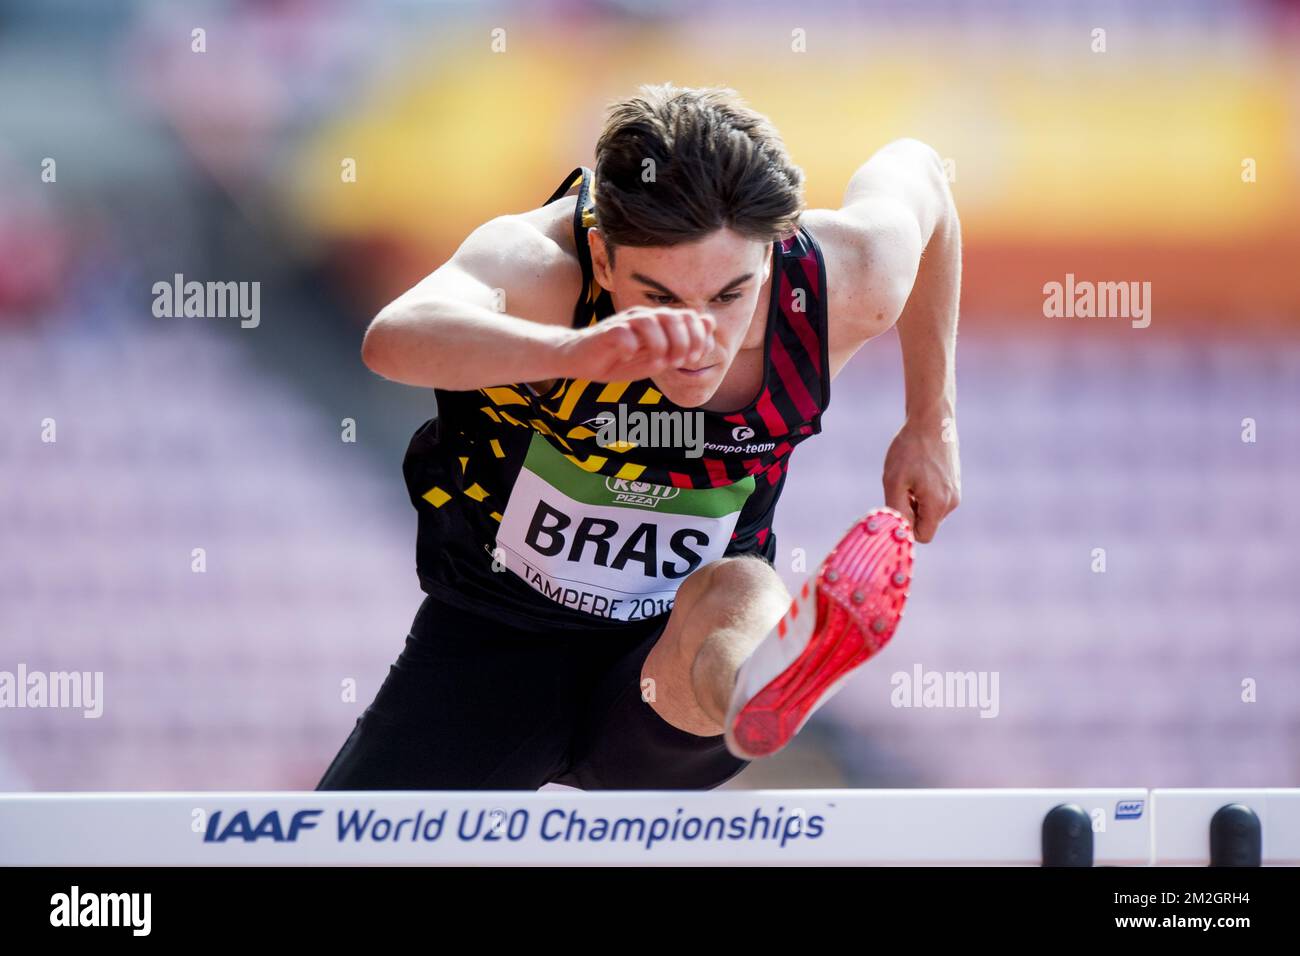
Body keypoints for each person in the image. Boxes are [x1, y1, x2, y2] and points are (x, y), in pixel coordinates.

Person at [317, 82, 961, 791]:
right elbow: (392, 339)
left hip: (673, 679)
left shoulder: (848, 278)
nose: (699, 337)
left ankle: (768, 681)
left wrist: (932, 421)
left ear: (774, 252)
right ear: (601, 258)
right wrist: (569, 353)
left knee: (739, 586)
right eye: (659, 297)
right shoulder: (540, 271)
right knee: (331, 850)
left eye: (729, 296)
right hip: (493, 648)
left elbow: (923, 171)